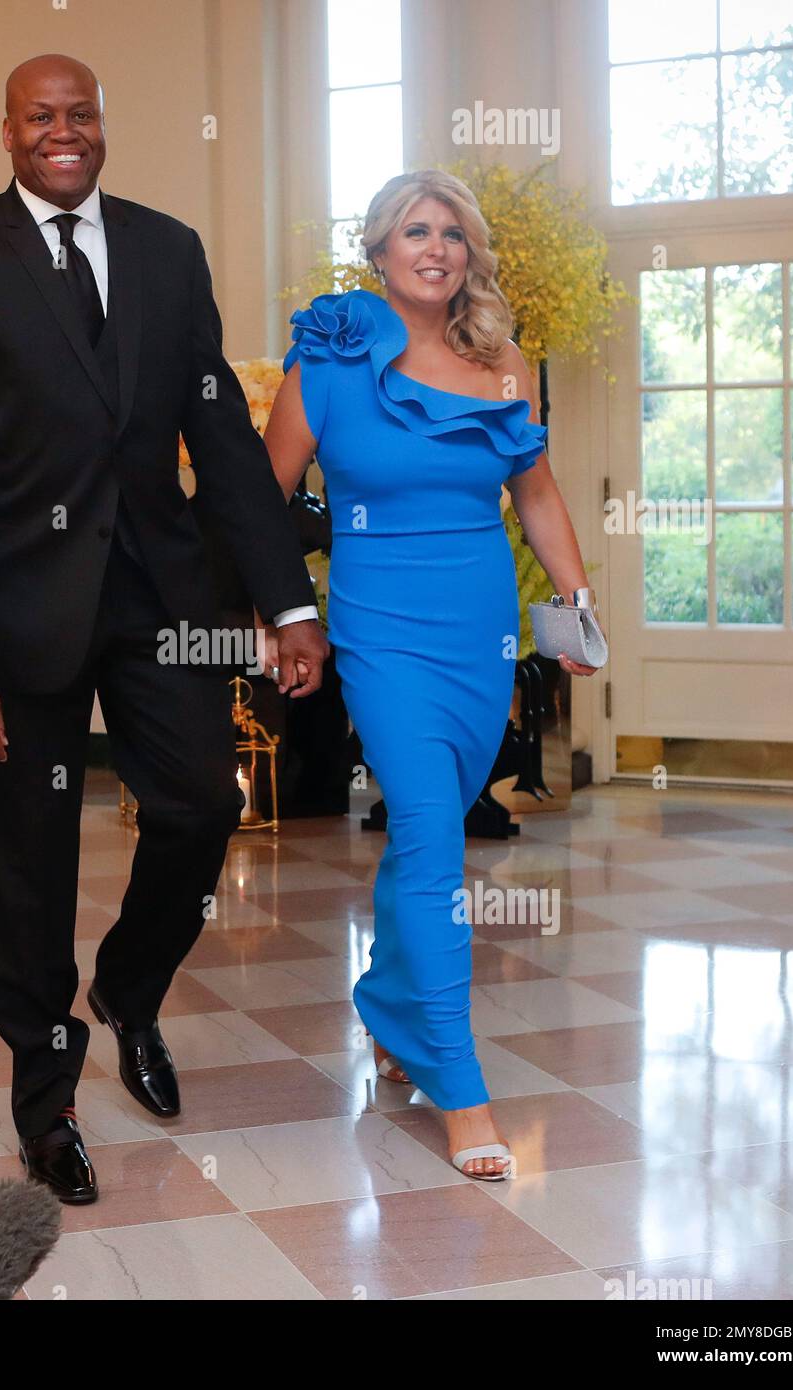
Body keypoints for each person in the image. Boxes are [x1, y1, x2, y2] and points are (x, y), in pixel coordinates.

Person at [0, 54, 328, 1204]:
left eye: (80, 114)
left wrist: (287, 600)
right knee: (31, 863)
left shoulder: (168, 250)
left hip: (155, 599)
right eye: (41, 116)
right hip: (14, 618)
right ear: (7, 132)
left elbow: (224, 442)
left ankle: (128, 986)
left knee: (202, 803)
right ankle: (47, 1098)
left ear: (100, 127)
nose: (62, 132)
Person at [263, 170, 604, 1180]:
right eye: (415, 230)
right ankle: (458, 1088)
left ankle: (385, 1006)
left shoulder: (498, 362)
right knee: (425, 831)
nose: (435, 247)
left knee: (433, 820)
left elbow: (534, 496)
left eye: (451, 234)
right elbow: (261, 493)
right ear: (376, 250)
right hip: (377, 626)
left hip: (477, 629)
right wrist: (282, 615)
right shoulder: (330, 352)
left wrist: (574, 607)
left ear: (467, 256)